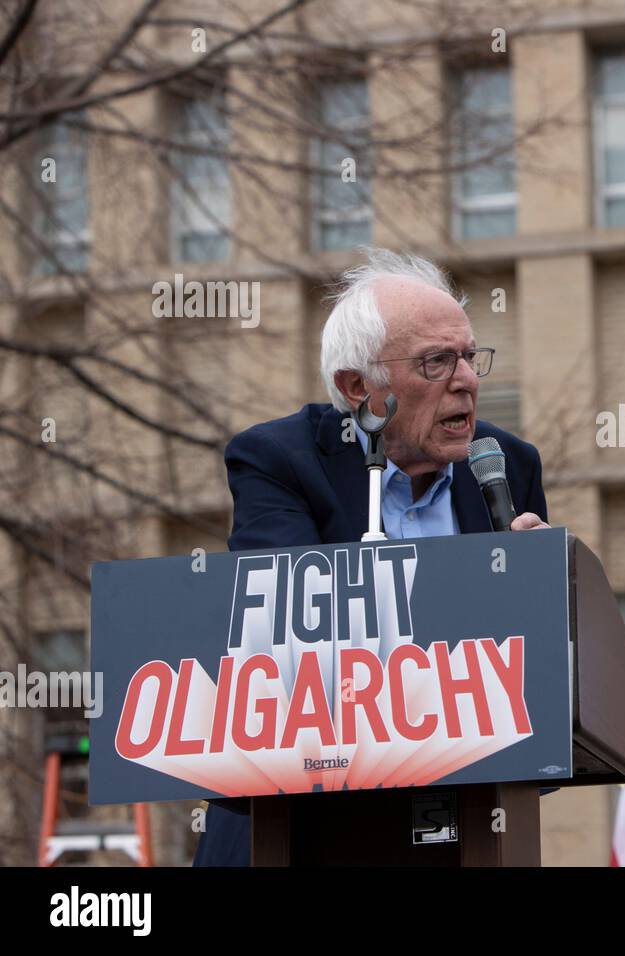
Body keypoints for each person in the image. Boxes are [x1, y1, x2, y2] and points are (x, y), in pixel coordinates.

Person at [192, 248, 551, 866]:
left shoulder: (506, 463)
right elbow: (290, 641)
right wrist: (479, 601)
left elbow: (533, 687)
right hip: (298, 833)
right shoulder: (279, 460)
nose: (466, 379)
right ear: (357, 387)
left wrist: (543, 590)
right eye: (436, 361)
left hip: (460, 832)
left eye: (470, 356)